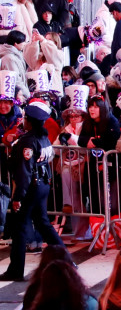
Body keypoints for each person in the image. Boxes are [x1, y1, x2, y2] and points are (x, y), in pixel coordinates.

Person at [1, 101, 64, 281]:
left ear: (29, 121)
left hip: (30, 187)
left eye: (25, 119)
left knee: (20, 228)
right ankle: (66, 259)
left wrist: (18, 197)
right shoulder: (43, 138)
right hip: (42, 185)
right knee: (43, 223)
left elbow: (24, 173)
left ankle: (15, 270)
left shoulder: (28, 142)